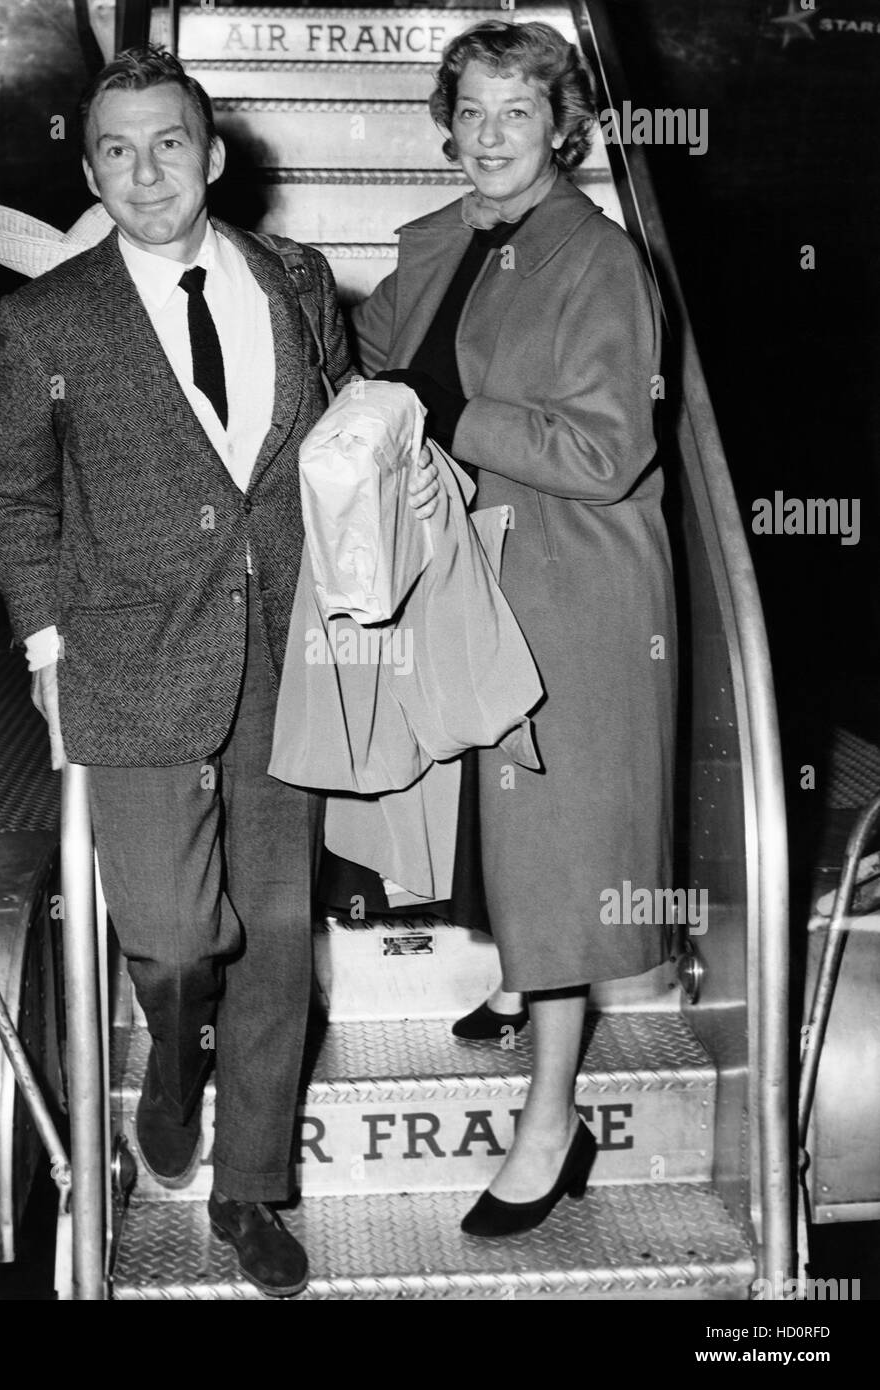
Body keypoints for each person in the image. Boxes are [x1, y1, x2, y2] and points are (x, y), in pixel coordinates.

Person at [0, 44, 439, 1297]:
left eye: (167, 143)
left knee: (278, 935)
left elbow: (339, 419)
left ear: (213, 156)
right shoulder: (47, 318)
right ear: (89, 168)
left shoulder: (292, 277)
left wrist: (386, 421)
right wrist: (46, 640)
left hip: (289, 648)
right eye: (115, 151)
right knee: (179, 936)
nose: (144, 172)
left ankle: (251, 1190)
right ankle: (173, 1058)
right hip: (128, 662)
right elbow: (11, 497)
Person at [353, 18, 676, 1236]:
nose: (488, 137)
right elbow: (366, 346)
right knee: (495, 815)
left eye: (515, 114)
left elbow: (606, 450)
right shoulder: (454, 241)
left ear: (563, 126)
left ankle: (552, 1121)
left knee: (554, 852)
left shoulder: (600, 262)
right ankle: (514, 975)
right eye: (471, 113)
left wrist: (452, 410)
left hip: (571, 587)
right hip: (474, 571)